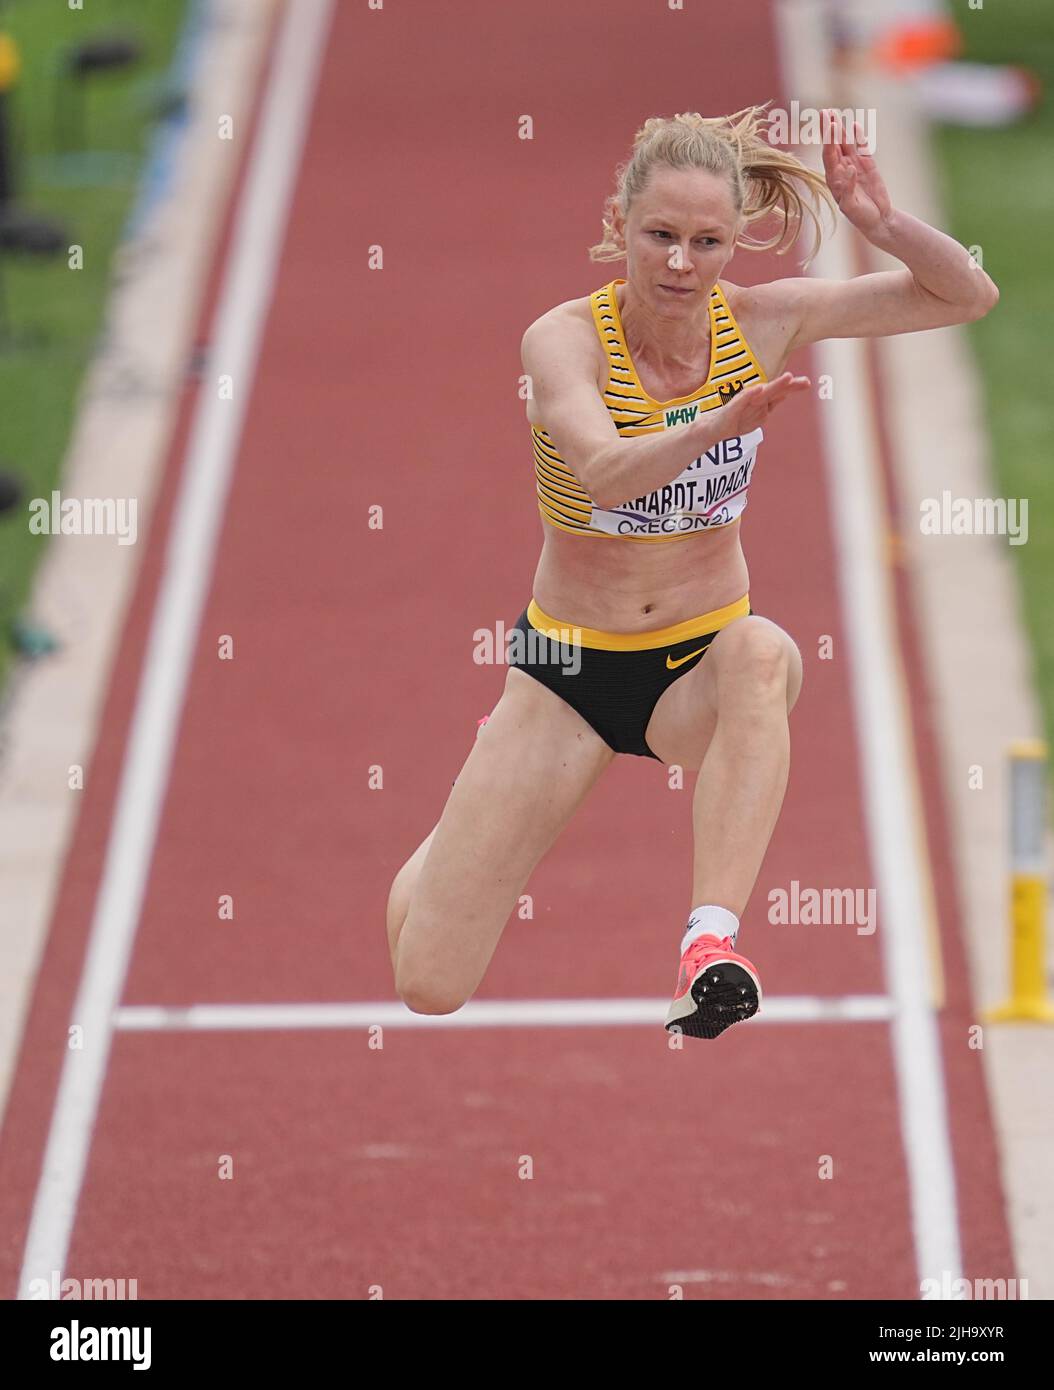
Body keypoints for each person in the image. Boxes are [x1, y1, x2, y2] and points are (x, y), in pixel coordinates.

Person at [386, 105, 998, 1039]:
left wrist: (883, 227)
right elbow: (602, 468)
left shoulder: (765, 319)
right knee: (429, 984)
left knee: (763, 651)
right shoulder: (564, 342)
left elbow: (965, 297)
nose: (680, 263)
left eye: (706, 241)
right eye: (661, 237)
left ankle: (709, 946)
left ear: (733, 244)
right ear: (619, 229)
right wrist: (715, 426)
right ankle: (454, 833)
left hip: (699, 666)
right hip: (567, 674)